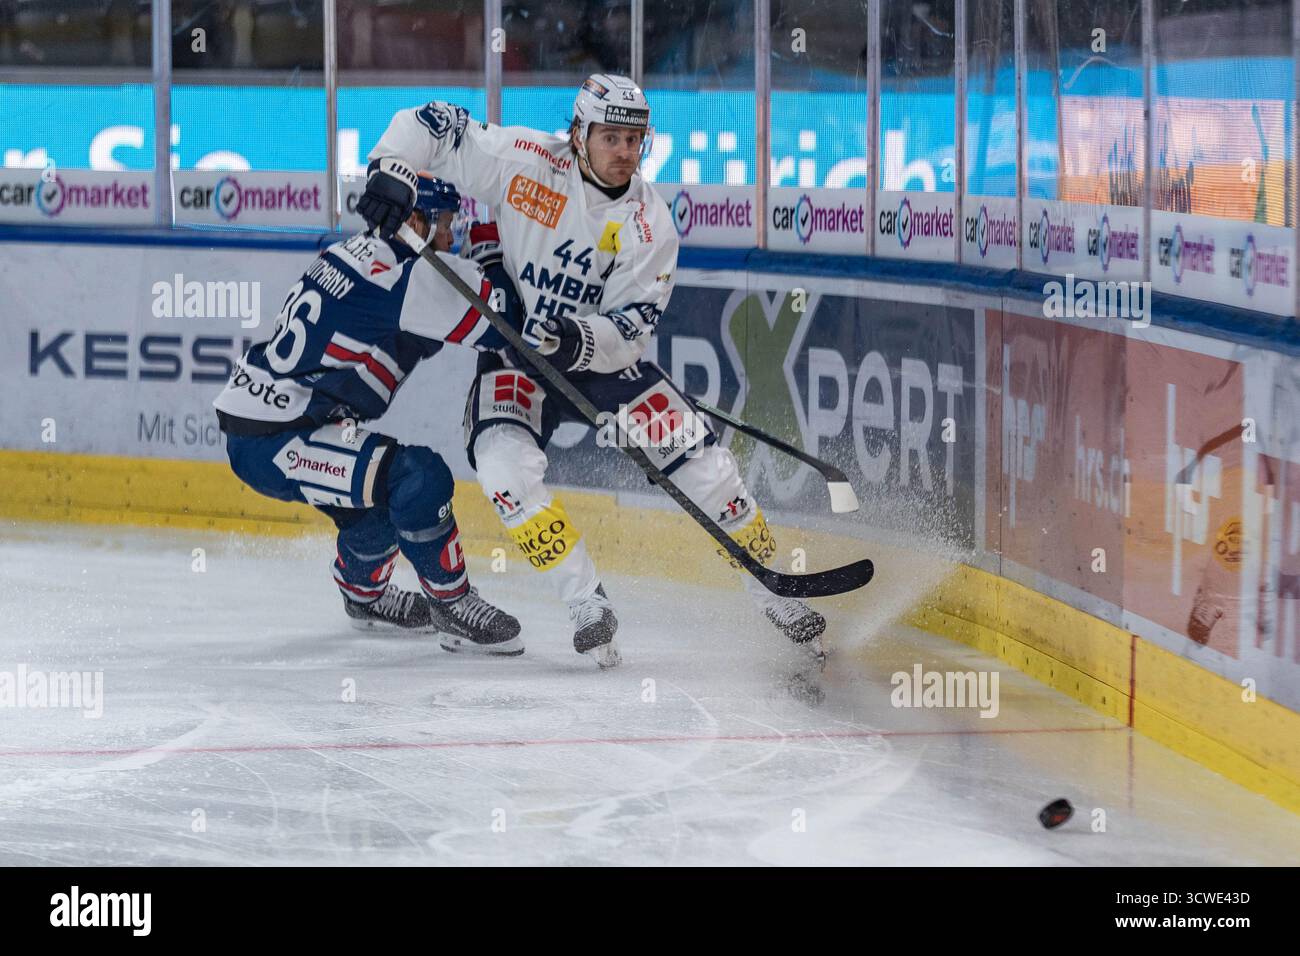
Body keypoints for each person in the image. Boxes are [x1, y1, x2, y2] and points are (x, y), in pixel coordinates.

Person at [357, 74, 826, 668]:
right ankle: (586, 602)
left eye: (635, 139)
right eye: (611, 136)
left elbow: (631, 329)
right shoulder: (526, 162)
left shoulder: (650, 224)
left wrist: (573, 337)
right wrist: (391, 167)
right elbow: (437, 123)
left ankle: (772, 587)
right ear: (578, 134)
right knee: (503, 468)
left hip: (597, 359)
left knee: (707, 470)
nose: (625, 151)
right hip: (516, 352)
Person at [213, 175, 523, 656]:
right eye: (445, 224)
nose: (451, 236)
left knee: (378, 504)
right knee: (418, 476)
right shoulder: (405, 277)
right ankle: (452, 603)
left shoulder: (360, 251)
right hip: (277, 439)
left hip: (266, 423)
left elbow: (385, 339)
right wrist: (488, 249)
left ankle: (364, 596)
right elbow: (506, 324)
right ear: (415, 220)